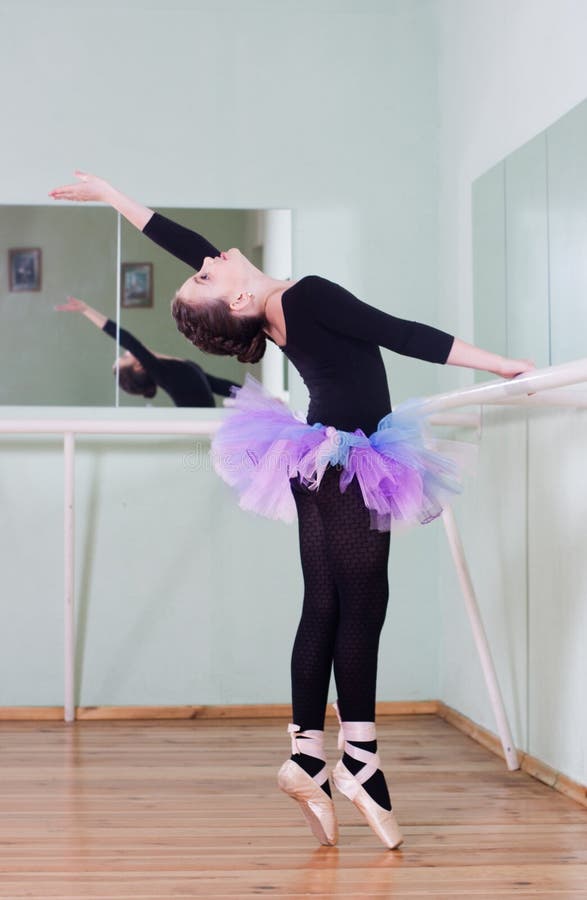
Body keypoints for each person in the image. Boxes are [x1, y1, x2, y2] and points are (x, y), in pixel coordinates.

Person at [50, 171, 534, 849]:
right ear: (239, 297)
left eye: (205, 267)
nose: (208, 259)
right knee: (361, 605)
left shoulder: (267, 304)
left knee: (325, 605)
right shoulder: (303, 295)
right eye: (207, 274)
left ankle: (308, 755)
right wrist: (500, 364)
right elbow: (400, 333)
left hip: (320, 461)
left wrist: (111, 195)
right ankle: (358, 761)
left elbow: (182, 241)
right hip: (348, 458)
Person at [54, 296, 239, 407]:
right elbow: (127, 338)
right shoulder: (162, 373)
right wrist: (86, 310)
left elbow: (217, 385)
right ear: (138, 366)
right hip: (202, 432)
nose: (128, 350)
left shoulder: (170, 371)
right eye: (126, 356)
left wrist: (257, 397)